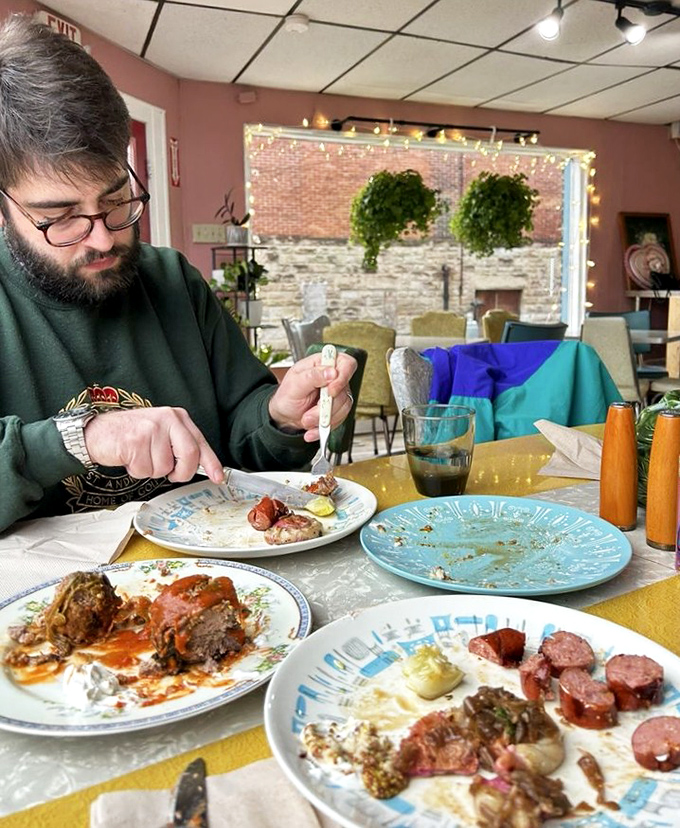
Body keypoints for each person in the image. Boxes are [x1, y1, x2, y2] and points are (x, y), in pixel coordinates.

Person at [0, 15, 356, 532]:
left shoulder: (172, 281)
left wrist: (279, 415)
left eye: (117, 201)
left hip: (214, 577)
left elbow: (243, 435)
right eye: (61, 219)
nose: (102, 238)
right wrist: (81, 438)